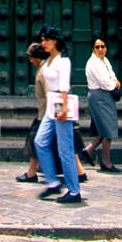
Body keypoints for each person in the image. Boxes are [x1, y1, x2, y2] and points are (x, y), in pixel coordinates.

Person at [17, 42, 86, 186]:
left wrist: (57, 112)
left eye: (31, 58)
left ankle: (36, 174)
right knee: (64, 142)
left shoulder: (45, 71)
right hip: (49, 112)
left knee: (39, 141)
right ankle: (79, 172)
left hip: (48, 113)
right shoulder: (46, 67)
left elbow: (53, 94)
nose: (30, 61)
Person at [34, 26, 82, 205]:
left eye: (46, 40)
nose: (43, 43)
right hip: (51, 104)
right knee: (40, 141)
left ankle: (74, 190)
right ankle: (53, 182)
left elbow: (64, 84)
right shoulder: (49, 61)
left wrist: (63, 108)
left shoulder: (63, 61)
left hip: (61, 104)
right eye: (42, 40)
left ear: (54, 41)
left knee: (65, 150)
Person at [83, 36, 122, 173]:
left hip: (105, 96)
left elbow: (111, 74)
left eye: (103, 46)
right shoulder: (93, 63)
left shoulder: (104, 60)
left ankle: (89, 150)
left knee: (105, 128)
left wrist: (114, 80)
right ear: (93, 49)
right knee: (108, 130)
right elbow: (104, 82)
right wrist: (115, 84)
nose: (100, 49)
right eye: (97, 47)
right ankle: (105, 162)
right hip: (100, 97)